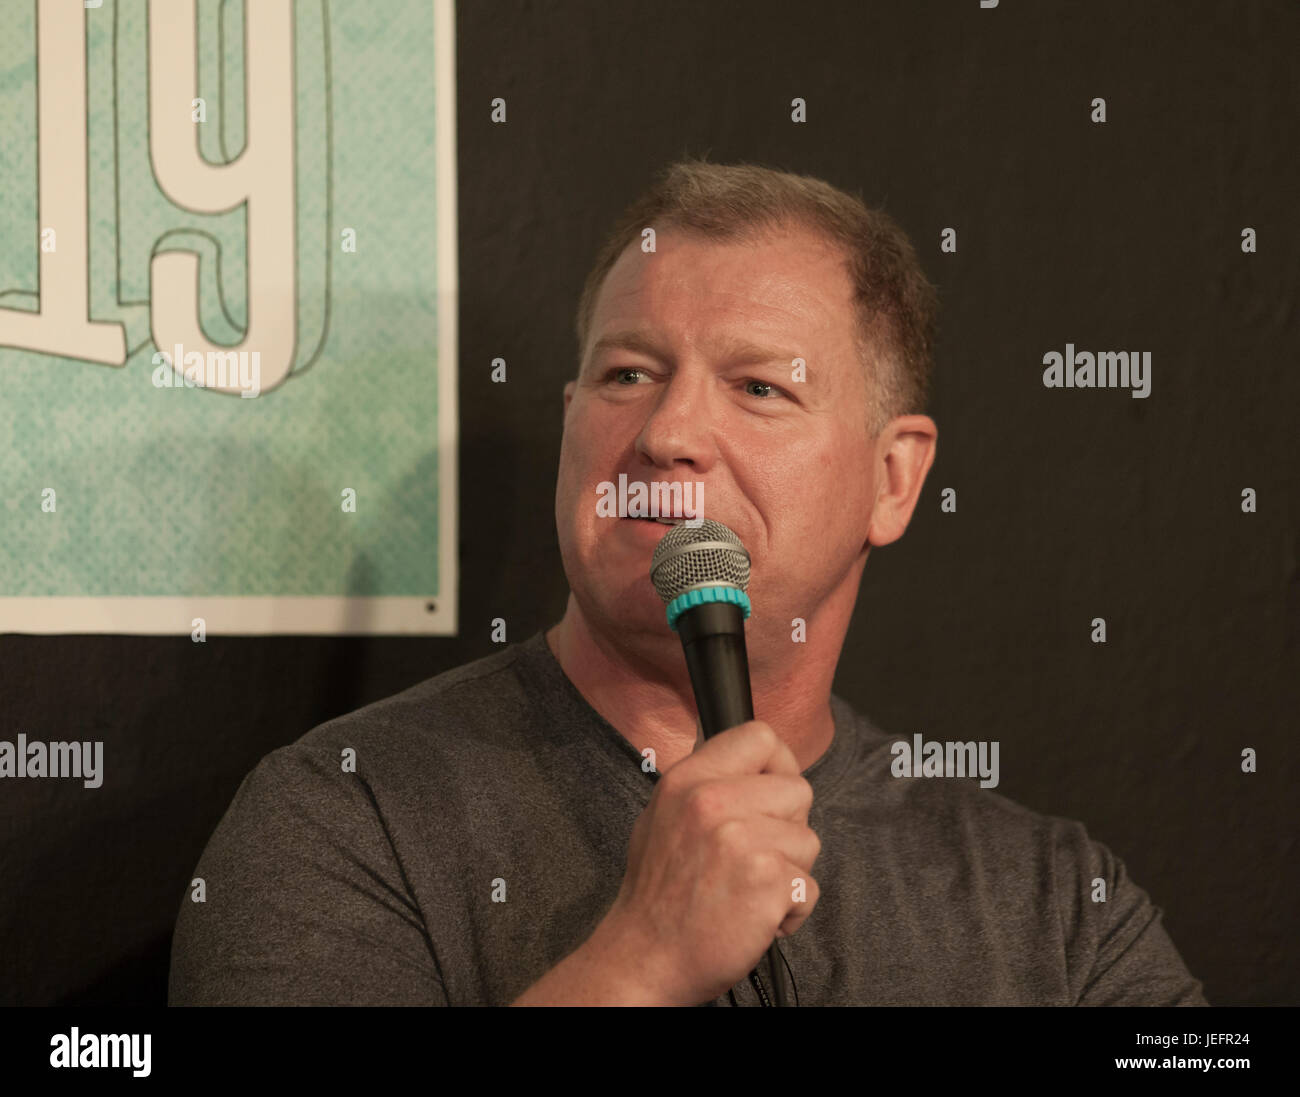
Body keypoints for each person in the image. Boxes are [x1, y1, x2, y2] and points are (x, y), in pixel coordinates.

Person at [168, 159, 1207, 1006]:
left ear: (893, 479)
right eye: (627, 374)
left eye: (759, 388)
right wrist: (640, 963)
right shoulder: (346, 818)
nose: (665, 434)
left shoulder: (1055, 904)